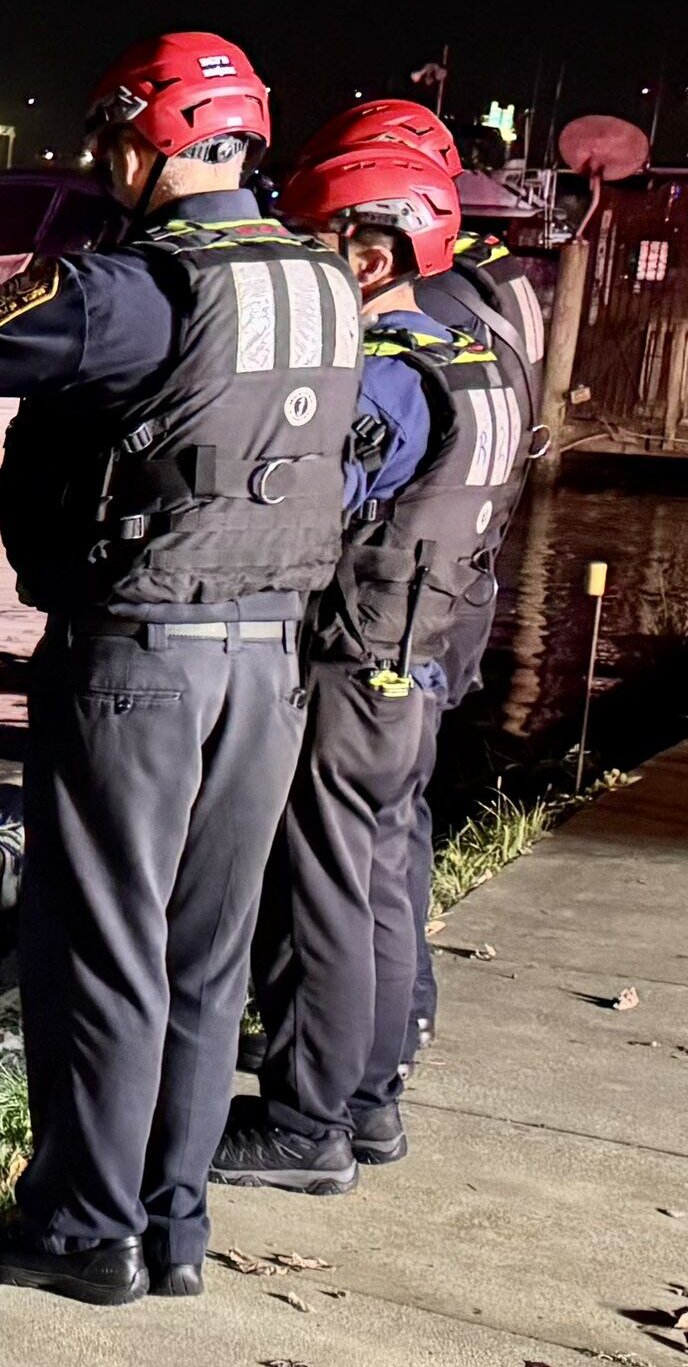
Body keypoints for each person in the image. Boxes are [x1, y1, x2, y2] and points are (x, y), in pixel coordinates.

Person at [0, 32, 361, 1304]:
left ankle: (80, 1229)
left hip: (138, 659)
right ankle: (171, 1226)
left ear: (150, 137)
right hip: (268, 662)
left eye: (111, 135)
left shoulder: (128, 288)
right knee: (205, 955)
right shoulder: (322, 281)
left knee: (100, 944)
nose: (101, 158)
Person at [214, 146, 527, 1190]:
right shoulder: (467, 355)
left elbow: (307, 504)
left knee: (319, 893)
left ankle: (304, 1124)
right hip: (415, 661)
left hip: (351, 665)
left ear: (371, 254)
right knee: (381, 879)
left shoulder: (382, 375)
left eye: (315, 242)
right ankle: (368, 1101)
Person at [299, 100, 550, 1057]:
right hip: (436, 617)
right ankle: (389, 1045)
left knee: (339, 872)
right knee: (390, 843)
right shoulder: (486, 309)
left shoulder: (399, 353)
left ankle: (333, 1091)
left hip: (371, 634)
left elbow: (324, 498)